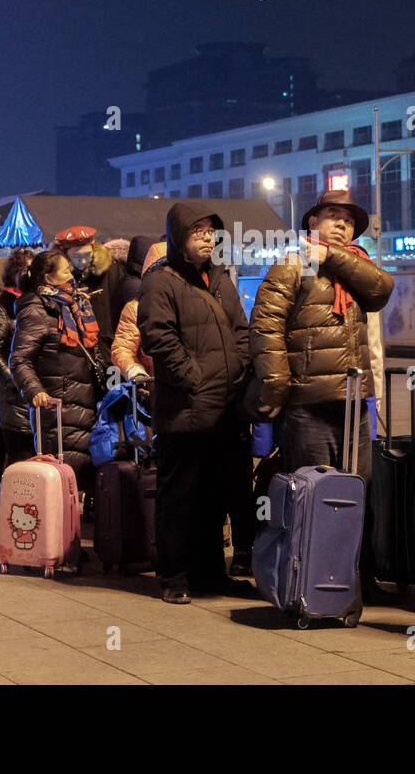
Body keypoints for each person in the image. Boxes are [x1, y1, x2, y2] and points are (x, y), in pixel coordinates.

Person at [249, 189, 394, 596]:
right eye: (333, 216)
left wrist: (334, 256)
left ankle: (351, 579)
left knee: (356, 491)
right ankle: (308, 580)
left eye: (347, 220)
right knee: (313, 494)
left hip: (352, 404)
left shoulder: (357, 268)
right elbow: (265, 329)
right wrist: (277, 385)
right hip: (308, 404)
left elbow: (382, 289)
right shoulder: (292, 265)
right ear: (312, 222)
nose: (341, 225)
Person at [138, 203, 255, 603]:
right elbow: (159, 340)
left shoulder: (220, 276)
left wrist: (237, 373)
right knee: (179, 497)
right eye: (198, 232)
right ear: (177, 237)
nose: (207, 238)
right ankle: (172, 575)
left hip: (226, 408)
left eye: (211, 232)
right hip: (185, 409)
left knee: (215, 494)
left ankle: (210, 572)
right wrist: (196, 380)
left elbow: (242, 330)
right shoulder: (160, 281)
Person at [10, 251, 104, 519]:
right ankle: (56, 548)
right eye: (65, 271)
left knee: (77, 480)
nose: (72, 276)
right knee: (62, 480)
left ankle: (69, 544)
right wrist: (35, 391)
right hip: (56, 409)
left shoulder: (76, 307)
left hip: (84, 406)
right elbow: (19, 360)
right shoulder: (37, 310)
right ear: (48, 278)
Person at [0, 248, 36, 466]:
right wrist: (17, 382)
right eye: (26, 269)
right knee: (20, 460)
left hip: (39, 396)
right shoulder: (3, 307)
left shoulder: (38, 302)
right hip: (15, 398)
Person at [54, 226, 126, 360]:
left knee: (113, 380)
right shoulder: (57, 278)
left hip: (110, 347)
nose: (82, 261)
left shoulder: (112, 271)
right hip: (75, 351)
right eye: (75, 256)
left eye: (87, 255)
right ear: (65, 254)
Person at [112, 241, 166, 382]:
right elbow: (123, 348)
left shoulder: (191, 303)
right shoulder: (136, 308)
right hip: (155, 388)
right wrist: (133, 368)